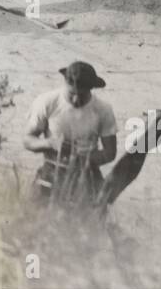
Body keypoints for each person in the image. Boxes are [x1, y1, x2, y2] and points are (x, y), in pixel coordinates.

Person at [24, 61, 118, 202]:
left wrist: (84, 159)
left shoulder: (103, 110)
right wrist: (50, 143)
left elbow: (110, 153)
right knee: (33, 214)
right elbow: (28, 140)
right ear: (65, 84)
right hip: (52, 169)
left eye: (82, 95)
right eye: (71, 93)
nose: (75, 99)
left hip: (87, 173)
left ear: (90, 89)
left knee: (94, 214)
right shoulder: (47, 102)